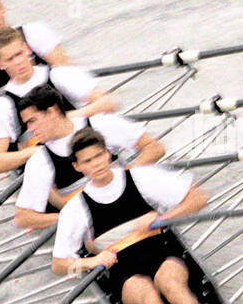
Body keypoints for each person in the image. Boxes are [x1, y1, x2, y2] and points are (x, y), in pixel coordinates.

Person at [51, 128, 210, 304]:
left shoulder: (141, 176)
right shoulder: (75, 209)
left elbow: (198, 198)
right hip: (122, 270)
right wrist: (92, 262)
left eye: (99, 156)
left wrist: (163, 218)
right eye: (87, 161)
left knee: (169, 282)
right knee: (147, 294)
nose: (96, 164)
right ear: (78, 167)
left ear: (108, 154)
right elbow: (59, 264)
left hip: (161, 253)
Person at [14, 84, 164, 229]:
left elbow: (155, 148)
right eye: (27, 124)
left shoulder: (100, 124)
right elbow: (23, 217)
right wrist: (73, 216)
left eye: (32, 121)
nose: (30, 130)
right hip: (99, 233)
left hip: (137, 215)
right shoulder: (40, 161)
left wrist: (124, 180)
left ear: (53, 111)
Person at [0, 27, 118, 174]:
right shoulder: (2, 106)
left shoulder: (59, 75)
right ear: (0, 64)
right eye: (10, 59)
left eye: (19, 54)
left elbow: (108, 103)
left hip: (92, 158)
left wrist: (71, 116)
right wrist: (39, 153)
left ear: (27, 49)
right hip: (56, 176)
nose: (18, 62)